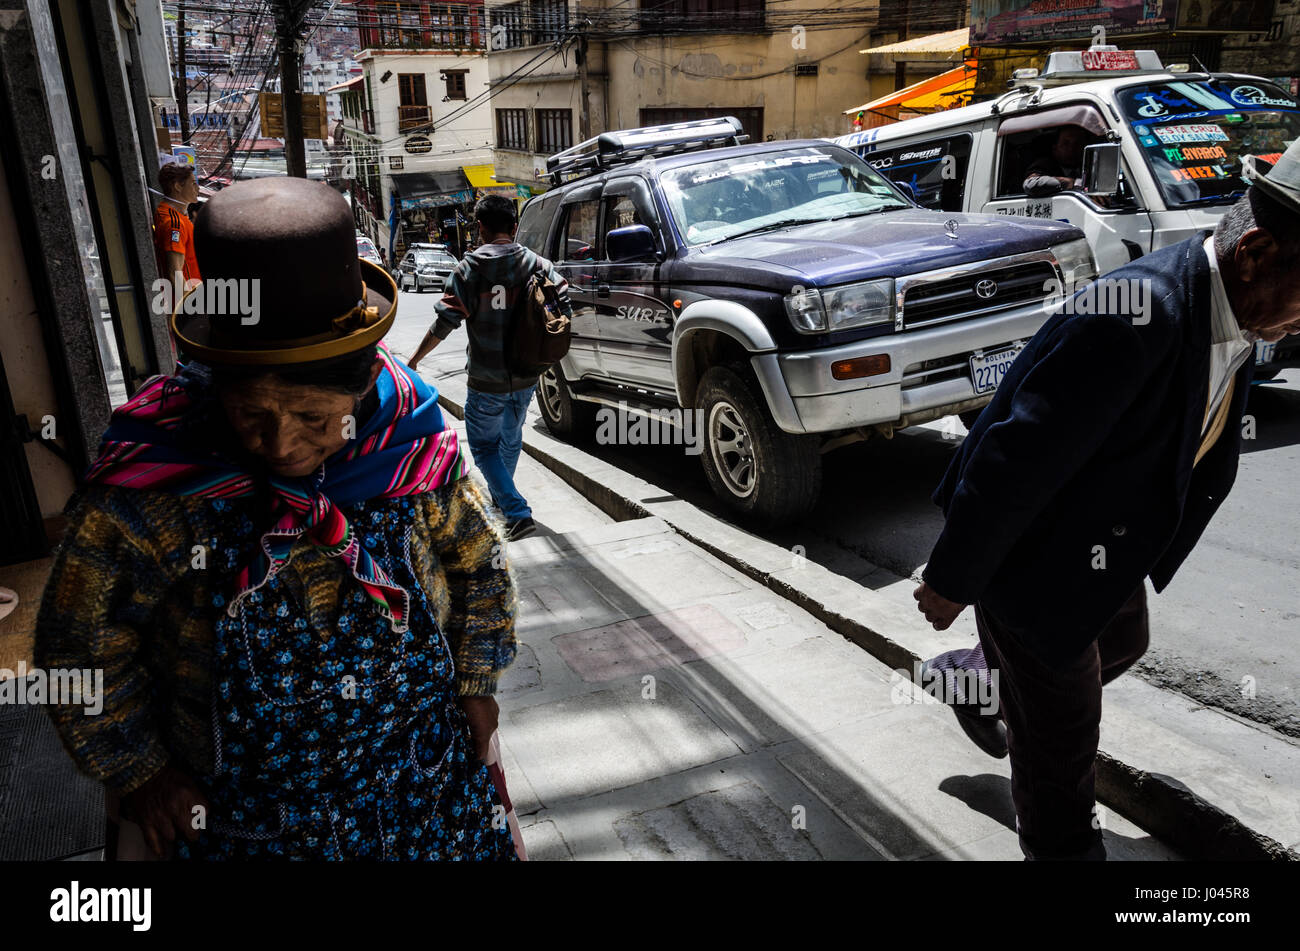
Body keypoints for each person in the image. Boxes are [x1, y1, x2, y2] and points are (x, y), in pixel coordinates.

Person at [35, 177, 520, 861]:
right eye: (252, 416)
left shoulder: (409, 445)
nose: (284, 444)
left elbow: (481, 568)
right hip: (243, 824)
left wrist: (477, 682)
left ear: (364, 386)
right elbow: (76, 641)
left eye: (317, 420)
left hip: (423, 794)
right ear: (215, 388)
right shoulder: (155, 484)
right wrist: (140, 771)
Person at [913, 139, 1300, 861]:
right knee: (1059, 756)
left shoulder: (1234, 310)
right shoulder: (1142, 314)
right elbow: (1015, 454)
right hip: (1036, 565)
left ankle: (978, 681)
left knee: (1125, 640)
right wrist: (951, 578)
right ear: (1254, 252)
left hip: (1103, 545)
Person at [407, 194, 572, 542]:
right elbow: (563, 308)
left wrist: (415, 360)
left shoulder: (468, 270)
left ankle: (515, 510)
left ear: (479, 228)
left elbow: (445, 323)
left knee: (483, 448)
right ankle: (504, 502)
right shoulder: (540, 265)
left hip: (486, 379)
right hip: (527, 375)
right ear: (514, 227)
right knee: (510, 440)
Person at [153, 162, 201, 288]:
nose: (198, 188)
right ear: (178, 186)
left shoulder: (175, 216)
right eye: (193, 183)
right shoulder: (175, 224)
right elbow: (174, 273)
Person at [1023, 125, 1096, 197]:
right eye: (1066, 143)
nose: (1072, 148)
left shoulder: (1092, 166)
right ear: (1055, 148)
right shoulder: (1044, 165)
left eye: (1078, 143)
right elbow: (1030, 184)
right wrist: (1073, 183)